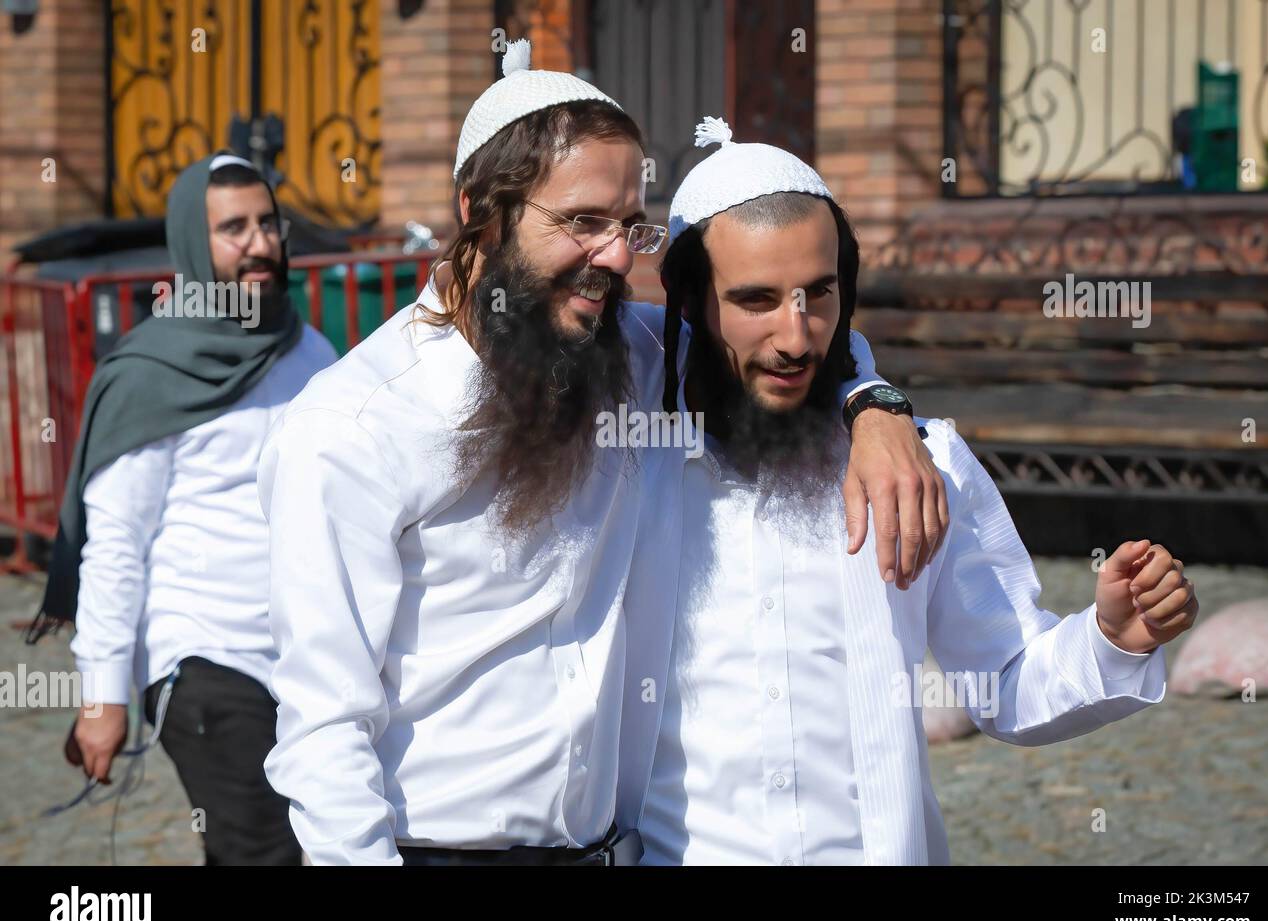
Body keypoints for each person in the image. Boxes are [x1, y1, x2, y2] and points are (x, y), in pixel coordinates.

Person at [257, 40, 942, 865]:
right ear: (479, 209)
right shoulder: (351, 427)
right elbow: (323, 728)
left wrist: (874, 402)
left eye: (629, 226)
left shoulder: (626, 354)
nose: (617, 257)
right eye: (582, 222)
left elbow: (776, 342)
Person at [615, 120, 1198, 865]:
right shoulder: (623, 463)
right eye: (757, 300)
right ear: (691, 304)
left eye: (818, 295)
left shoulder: (927, 466)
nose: (796, 337)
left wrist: (1111, 639)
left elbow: (1008, 680)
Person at [28, 152, 338, 865]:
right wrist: (103, 696)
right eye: (234, 228)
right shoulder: (149, 375)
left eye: (268, 223)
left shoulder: (308, 351)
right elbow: (114, 546)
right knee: (261, 851)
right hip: (204, 657)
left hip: (305, 662)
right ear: (194, 245)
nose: (259, 243)